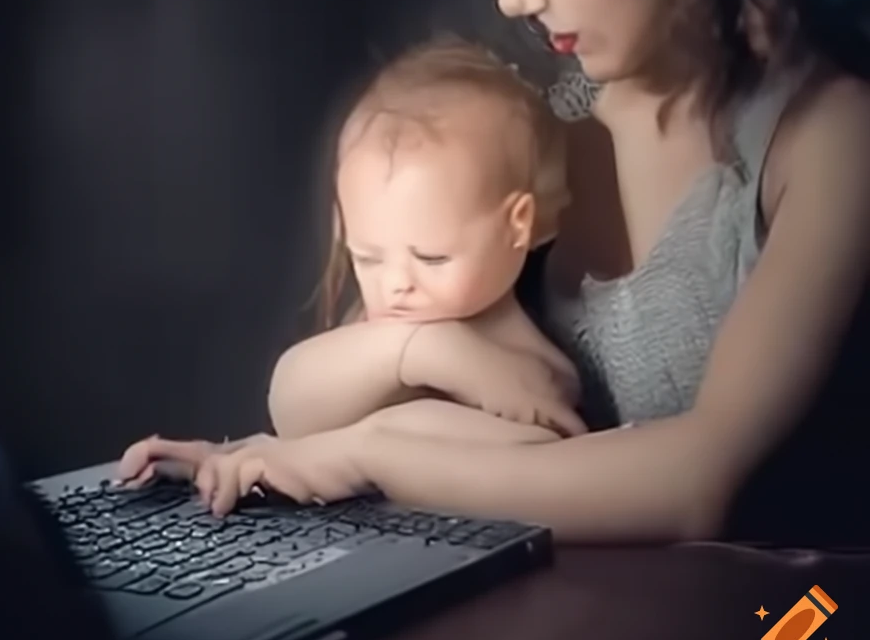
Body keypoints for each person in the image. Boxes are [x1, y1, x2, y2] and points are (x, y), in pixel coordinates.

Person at [125, 0, 870, 544]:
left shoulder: (829, 136)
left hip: (788, 634)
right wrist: (279, 449)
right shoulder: (541, 121)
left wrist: (374, 457)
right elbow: (335, 388)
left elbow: (703, 484)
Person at [119, 38, 589, 493]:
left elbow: (542, 454)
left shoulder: (525, 367)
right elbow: (291, 405)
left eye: (432, 258)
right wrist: (229, 455)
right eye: (367, 257)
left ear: (518, 225)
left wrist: (356, 444)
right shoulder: (387, 328)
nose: (396, 283)